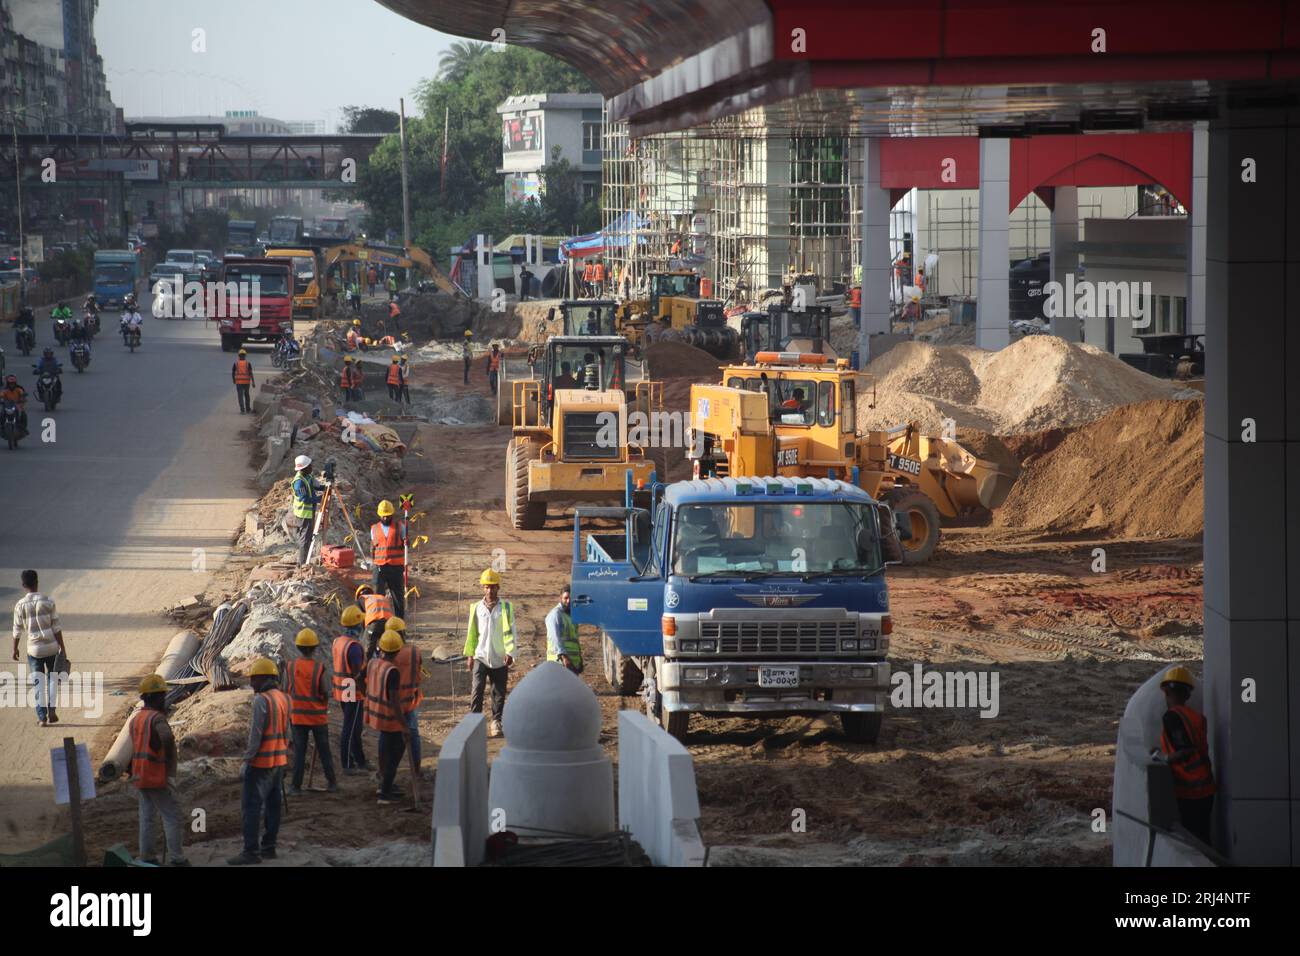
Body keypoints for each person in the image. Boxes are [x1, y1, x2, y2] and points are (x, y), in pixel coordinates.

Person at [227, 658, 290, 865]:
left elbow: (256, 735)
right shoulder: (283, 698)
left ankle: (251, 852)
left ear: (264, 678)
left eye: (254, 679)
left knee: (251, 808)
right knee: (273, 806)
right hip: (278, 761)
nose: (252, 683)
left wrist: (247, 760)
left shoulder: (261, 701)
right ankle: (269, 848)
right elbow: (287, 733)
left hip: (261, 764)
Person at [130, 674, 189, 866]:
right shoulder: (157, 719)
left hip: (140, 775)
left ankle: (147, 857)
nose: (164, 699)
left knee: (146, 817)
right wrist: (169, 770)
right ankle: (177, 858)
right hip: (156, 775)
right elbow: (167, 740)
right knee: (171, 816)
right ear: (154, 697)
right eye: (162, 696)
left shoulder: (136, 719)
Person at [1156, 665, 1216, 844]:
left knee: (1193, 843)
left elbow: (1185, 750)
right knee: (1204, 839)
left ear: (1166, 691)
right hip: (1206, 787)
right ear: (1188, 694)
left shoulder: (1171, 717)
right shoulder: (1197, 717)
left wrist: (1163, 757)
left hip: (1190, 792)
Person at [463, 568, 516, 738]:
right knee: (477, 690)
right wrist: (470, 655)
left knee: (498, 692)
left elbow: (511, 631)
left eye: (493, 587)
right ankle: (474, 723)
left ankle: (496, 722)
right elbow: (471, 633)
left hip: (500, 657)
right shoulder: (476, 608)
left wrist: (510, 652)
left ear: (498, 587)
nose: (490, 590)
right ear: (482, 588)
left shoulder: (506, 608)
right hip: (481, 656)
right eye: (487, 587)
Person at [11, 569, 66, 726]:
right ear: (37, 582)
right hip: (51, 647)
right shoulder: (48, 601)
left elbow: (17, 630)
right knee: (52, 679)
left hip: (34, 650)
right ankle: (52, 710)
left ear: (23, 585)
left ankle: (42, 718)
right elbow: (56, 627)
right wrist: (62, 647)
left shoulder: (20, 605)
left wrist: (14, 649)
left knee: (38, 683)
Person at [287, 629, 338, 795]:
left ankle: (295, 786)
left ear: (298, 647)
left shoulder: (291, 667)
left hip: (297, 717)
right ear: (315, 647)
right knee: (325, 752)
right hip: (318, 718)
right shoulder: (319, 668)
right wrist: (322, 701)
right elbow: (325, 691)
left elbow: (285, 690)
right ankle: (332, 783)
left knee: (299, 754)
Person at [364, 630, 408, 804]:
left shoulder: (373, 663)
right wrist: (404, 726)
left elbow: (361, 681)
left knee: (384, 752)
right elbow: (395, 702)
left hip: (376, 716)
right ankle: (384, 793)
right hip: (390, 720)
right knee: (395, 755)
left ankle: (383, 784)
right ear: (398, 651)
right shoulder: (393, 671)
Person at [332, 605, 368, 775]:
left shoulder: (338, 641)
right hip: (351, 690)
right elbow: (357, 674)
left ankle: (359, 760)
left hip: (342, 688)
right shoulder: (354, 647)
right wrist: (366, 692)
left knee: (354, 727)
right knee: (350, 728)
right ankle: (347, 764)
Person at [389, 617, 423, 772]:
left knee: (390, 737)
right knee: (413, 735)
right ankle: (416, 769)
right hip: (410, 701)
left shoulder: (387, 656)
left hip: (392, 703)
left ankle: (386, 772)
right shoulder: (414, 652)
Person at [370, 500, 407, 617]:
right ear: (379, 515)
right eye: (383, 516)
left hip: (396, 568)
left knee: (398, 598)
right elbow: (372, 547)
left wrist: (406, 542)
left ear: (392, 514)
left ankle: (399, 625)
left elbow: (406, 543)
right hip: (379, 567)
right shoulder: (374, 529)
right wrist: (373, 564)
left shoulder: (400, 527)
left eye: (388, 516)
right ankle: (379, 622)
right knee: (378, 598)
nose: (385, 518)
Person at [290, 455, 324, 566]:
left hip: (309, 512)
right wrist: (319, 499)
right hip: (303, 514)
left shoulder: (308, 476)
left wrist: (326, 487)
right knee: (305, 539)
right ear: (303, 468)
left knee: (307, 537)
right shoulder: (299, 482)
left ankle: (304, 561)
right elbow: (305, 499)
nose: (311, 467)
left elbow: (316, 486)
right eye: (309, 465)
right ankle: (302, 563)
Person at [544, 586, 582, 674]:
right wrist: (564, 657)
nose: (568, 601)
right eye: (566, 598)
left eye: (571, 598)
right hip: (560, 663)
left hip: (572, 664)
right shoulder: (555, 615)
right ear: (560, 598)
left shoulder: (570, 616)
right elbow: (555, 637)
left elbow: (574, 640)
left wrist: (579, 659)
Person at [356, 583, 394, 652]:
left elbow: (361, 618)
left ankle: (368, 661)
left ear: (359, 594)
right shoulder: (381, 597)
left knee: (366, 650)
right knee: (386, 650)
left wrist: (364, 632)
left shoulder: (362, 599)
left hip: (374, 623)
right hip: (390, 625)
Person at [232, 348, 255, 414]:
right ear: (245, 356)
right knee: (247, 395)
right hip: (246, 382)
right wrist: (253, 382)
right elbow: (251, 373)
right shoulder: (248, 363)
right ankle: (248, 409)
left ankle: (242, 410)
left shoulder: (236, 364)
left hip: (239, 382)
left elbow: (233, 372)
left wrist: (234, 380)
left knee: (240, 396)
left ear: (239, 356)